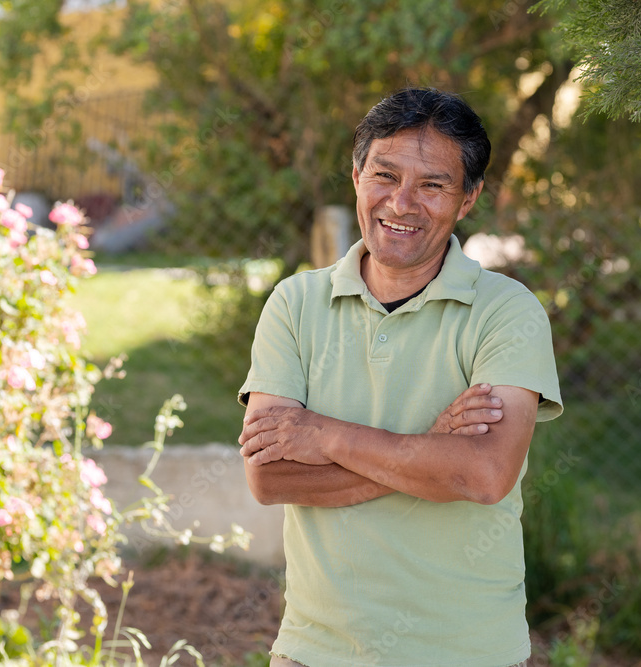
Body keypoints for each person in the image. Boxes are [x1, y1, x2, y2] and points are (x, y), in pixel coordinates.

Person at [237, 87, 563, 667]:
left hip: (467, 652)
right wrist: (431, 453)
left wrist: (325, 436)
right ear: (356, 174)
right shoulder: (294, 304)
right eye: (385, 176)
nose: (403, 203)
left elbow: (483, 476)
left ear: (468, 200)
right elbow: (269, 480)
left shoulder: (506, 312)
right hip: (315, 651)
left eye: (433, 185)